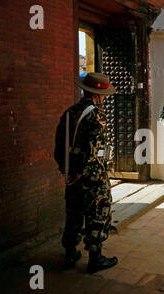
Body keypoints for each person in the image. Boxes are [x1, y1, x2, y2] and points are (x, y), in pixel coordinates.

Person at [55, 72, 118, 274]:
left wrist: (68, 170)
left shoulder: (69, 112)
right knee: (98, 213)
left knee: (73, 213)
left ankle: (70, 253)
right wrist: (86, 170)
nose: (105, 97)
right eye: (104, 94)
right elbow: (95, 150)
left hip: (72, 175)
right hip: (92, 176)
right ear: (98, 95)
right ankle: (95, 257)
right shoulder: (96, 115)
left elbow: (59, 146)